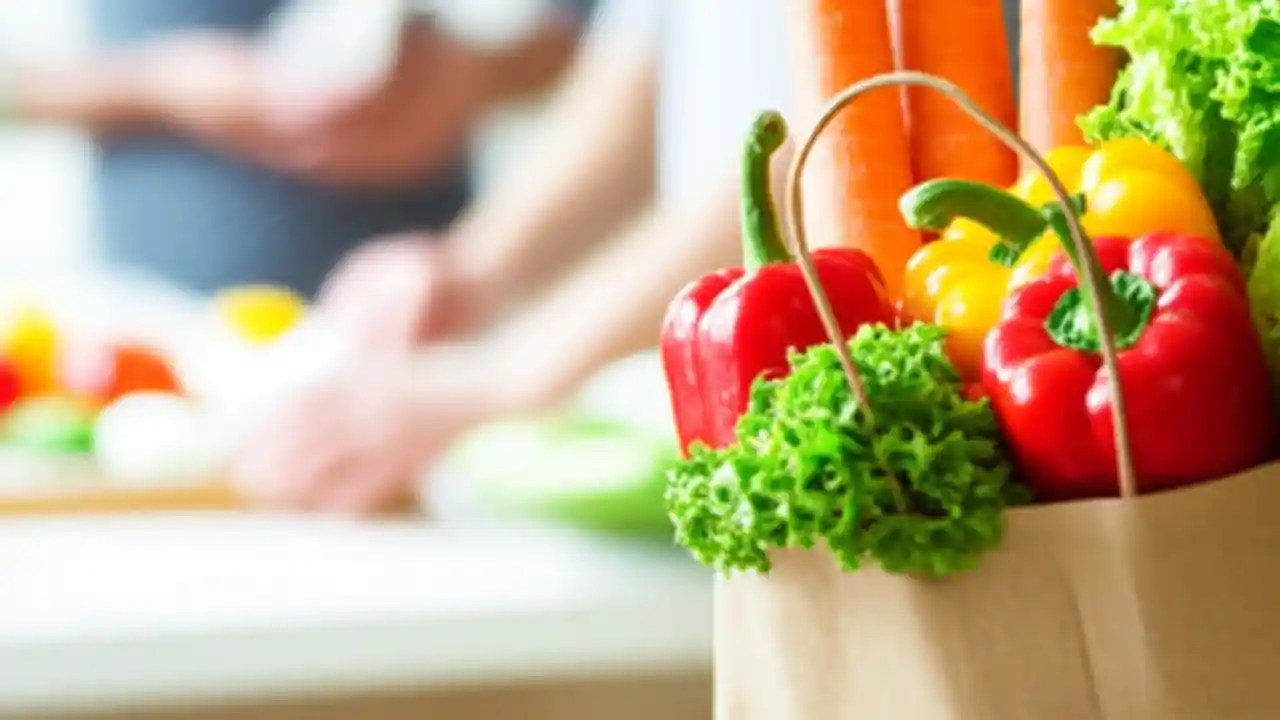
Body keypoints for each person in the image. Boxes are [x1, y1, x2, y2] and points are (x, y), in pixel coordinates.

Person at [233, 0, 1025, 514]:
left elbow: (836, 134)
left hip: (892, 403)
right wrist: (477, 265)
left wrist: (506, 377)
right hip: (734, 404)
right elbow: (639, 73)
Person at [6, 0, 592, 296]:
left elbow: (616, 38)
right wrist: (158, 84)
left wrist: (478, 76)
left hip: (417, 305)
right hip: (161, 326)